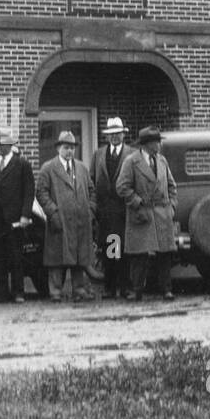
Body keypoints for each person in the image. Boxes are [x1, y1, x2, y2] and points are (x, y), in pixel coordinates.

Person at [114, 126, 177, 301]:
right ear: (146, 144)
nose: (159, 144)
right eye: (156, 141)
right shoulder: (131, 161)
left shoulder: (162, 161)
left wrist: (172, 207)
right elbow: (121, 187)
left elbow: (172, 186)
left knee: (165, 254)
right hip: (141, 213)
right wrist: (136, 201)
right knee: (138, 255)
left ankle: (166, 289)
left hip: (163, 214)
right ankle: (136, 290)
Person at [35, 131, 97, 301]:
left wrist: (90, 210)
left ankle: (79, 290)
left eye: (72, 148)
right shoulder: (48, 168)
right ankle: (55, 291)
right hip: (59, 220)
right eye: (66, 148)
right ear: (58, 149)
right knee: (56, 258)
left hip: (80, 221)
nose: (69, 151)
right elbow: (41, 193)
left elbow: (92, 191)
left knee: (79, 257)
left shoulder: (82, 168)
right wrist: (53, 212)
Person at [0, 129, 35, 303]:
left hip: (15, 220)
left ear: (9, 146)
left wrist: (25, 215)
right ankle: (1, 293)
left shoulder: (22, 165)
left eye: (1, 144)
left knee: (16, 256)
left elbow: (29, 192)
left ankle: (19, 292)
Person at [91, 116, 130, 299]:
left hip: (124, 211)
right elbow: (92, 181)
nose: (114, 137)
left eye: (118, 134)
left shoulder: (131, 154)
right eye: (111, 134)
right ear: (107, 136)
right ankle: (109, 288)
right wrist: (95, 207)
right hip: (105, 213)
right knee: (108, 250)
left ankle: (124, 287)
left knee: (123, 251)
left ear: (123, 134)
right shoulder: (98, 154)